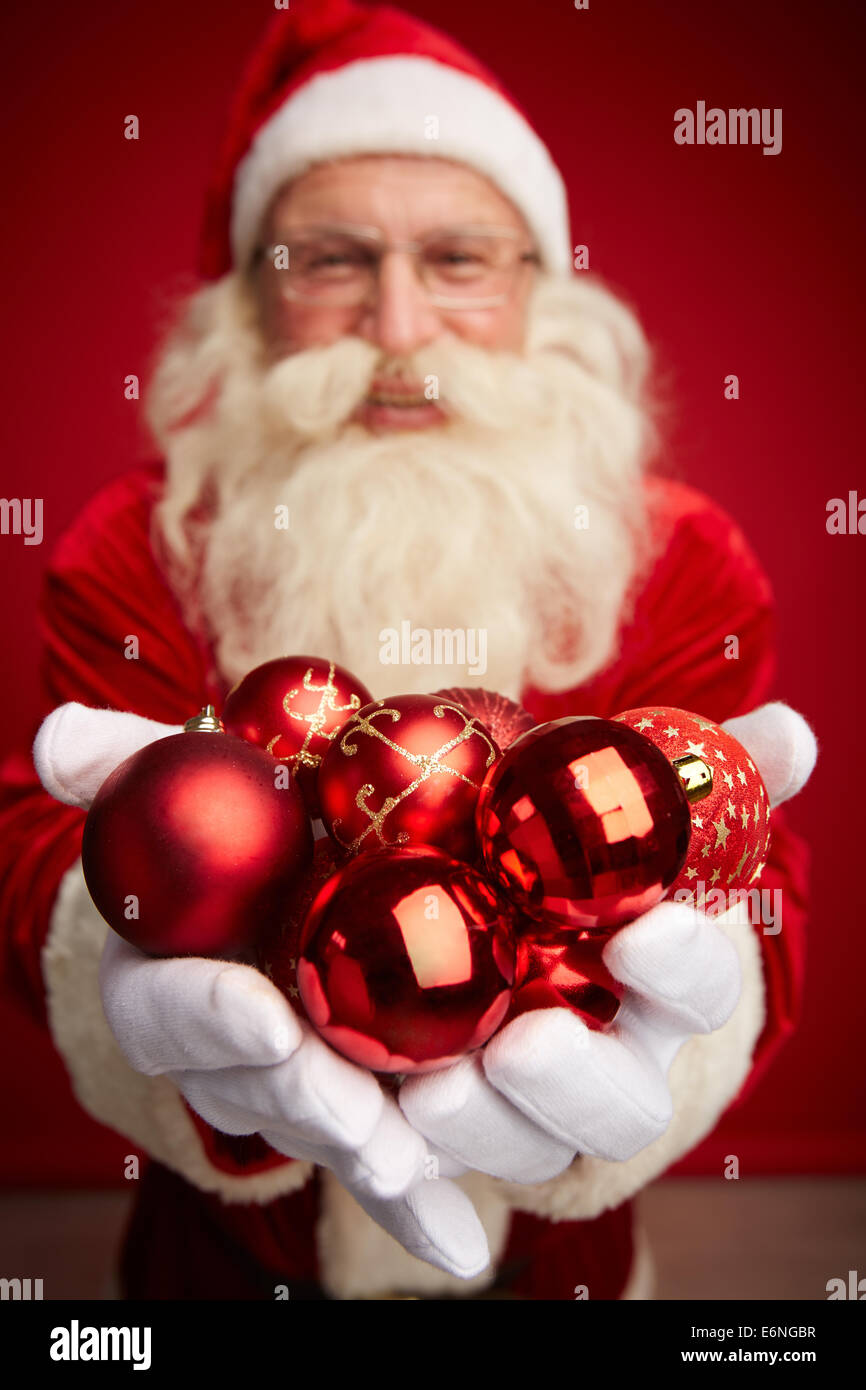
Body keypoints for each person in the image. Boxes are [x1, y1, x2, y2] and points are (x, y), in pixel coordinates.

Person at [0, 0, 814, 1301]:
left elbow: (764, 890)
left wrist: (665, 1064)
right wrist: (134, 993)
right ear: (249, 301)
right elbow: (40, 842)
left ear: (539, 289)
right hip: (223, 1259)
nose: (395, 328)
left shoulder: (683, 558)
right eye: (328, 260)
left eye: (455, 260)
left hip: (563, 1267)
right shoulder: (135, 546)